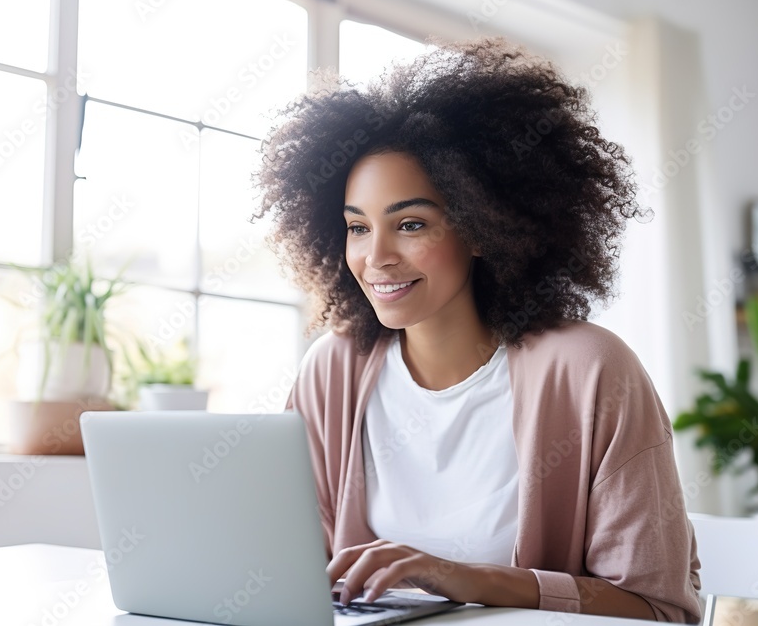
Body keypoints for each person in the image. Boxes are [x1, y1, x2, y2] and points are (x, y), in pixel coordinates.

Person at [253, 38, 702, 623]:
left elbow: (658, 607)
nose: (376, 257)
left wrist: (463, 579)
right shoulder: (332, 369)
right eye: (357, 228)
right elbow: (291, 572)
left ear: (481, 226)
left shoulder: (590, 371)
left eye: (410, 223)